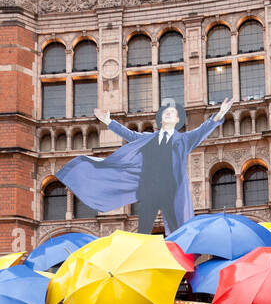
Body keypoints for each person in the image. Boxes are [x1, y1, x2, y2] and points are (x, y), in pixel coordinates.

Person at [62, 97, 235, 234]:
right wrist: (108, 121)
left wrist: (219, 114)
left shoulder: (183, 139)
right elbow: (128, 134)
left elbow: (203, 130)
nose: (168, 114)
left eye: (172, 113)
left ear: (177, 120)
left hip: (172, 190)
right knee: (144, 229)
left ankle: (181, 267)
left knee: (177, 230)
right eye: (165, 113)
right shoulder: (148, 138)